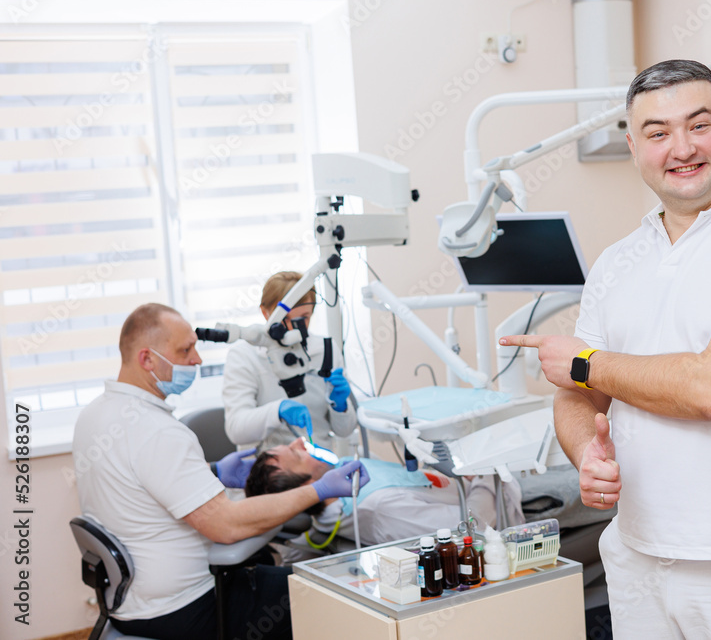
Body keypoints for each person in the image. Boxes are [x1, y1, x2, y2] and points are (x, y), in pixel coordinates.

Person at [500, 60, 711, 638]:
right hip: (639, 557)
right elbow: (580, 400)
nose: (680, 148)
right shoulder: (617, 263)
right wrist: (587, 453)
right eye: (658, 133)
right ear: (634, 147)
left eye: (699, 125)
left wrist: (585, 363)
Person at [72, 303, 369, 640]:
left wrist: (212, 472)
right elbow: (227, 527)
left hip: (130, 599)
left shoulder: (95, 414)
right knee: (325, 594)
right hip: (185, 605)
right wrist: (320, 489)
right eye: (185, 350)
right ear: (147, 359)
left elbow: (136, 483)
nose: (197, 359)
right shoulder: (158, 431)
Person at [244, 437, 525, 547]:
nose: (299, 442)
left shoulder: (346, 472)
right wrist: (485, 473)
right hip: (504, 502)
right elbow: (475, 526)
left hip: (482, 482)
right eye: (294, 453)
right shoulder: (378, 509)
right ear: (304, 487)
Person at [222, 271, 355, 452]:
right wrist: (277, 411)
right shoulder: (244, 355)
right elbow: (237, 430)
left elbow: (345, 431)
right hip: (269, 469)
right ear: (265, 312)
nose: (294, 329)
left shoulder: (325, 350)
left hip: (320, 463)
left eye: (303, 319)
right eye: (285, 319)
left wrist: (340, 407)